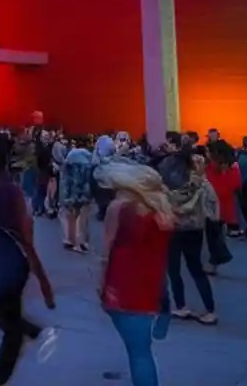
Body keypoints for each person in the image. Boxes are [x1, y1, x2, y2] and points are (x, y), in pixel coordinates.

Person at [0, 145, 54, 386]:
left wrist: (42, 279)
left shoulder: (6, 192)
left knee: (7, 320)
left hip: (7, 262)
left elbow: (25, 235)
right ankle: (27, 330)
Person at [97, 160, 174, 386]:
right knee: (141, 350)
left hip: (122, 284)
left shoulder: (119, 208)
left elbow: (107, 250)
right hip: (152, 281)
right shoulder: (162, 212)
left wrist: (101, 285)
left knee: (138, 353)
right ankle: (162, 318)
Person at [163, 150, 218, 324]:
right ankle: (210, 310)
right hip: (195, 229)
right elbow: (214, 208)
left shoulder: (174, 184)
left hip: (176, 229)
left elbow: (170, 204)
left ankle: (181, 306)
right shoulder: (205, 185)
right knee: (196, 269)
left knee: (174, 269)